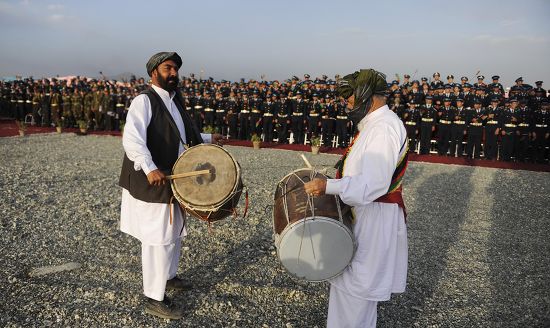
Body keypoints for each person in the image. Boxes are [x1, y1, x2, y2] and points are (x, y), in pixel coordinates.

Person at [118, 52, 223, 320]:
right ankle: (153, 297)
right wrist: (150, 167)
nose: (173, 73)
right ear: (154, 72)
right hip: (153, 181)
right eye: (168, 68)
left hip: (175, 178)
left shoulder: (175, 102)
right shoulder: (144, 100)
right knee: (157, 238)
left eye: (175, 68)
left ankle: (169, 276)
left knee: (174, 232)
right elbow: (132, 139)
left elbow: (183, 136)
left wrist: (210, 138)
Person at [304, 69, 408, 328]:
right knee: (349, 288)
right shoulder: (374, 125)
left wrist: (328, 186)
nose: (346, 106)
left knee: (357, 290)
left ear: (368, 98)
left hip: (373, 216)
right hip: (364, 212)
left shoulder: (383, 129)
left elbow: (373, 183)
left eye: (350, 100)